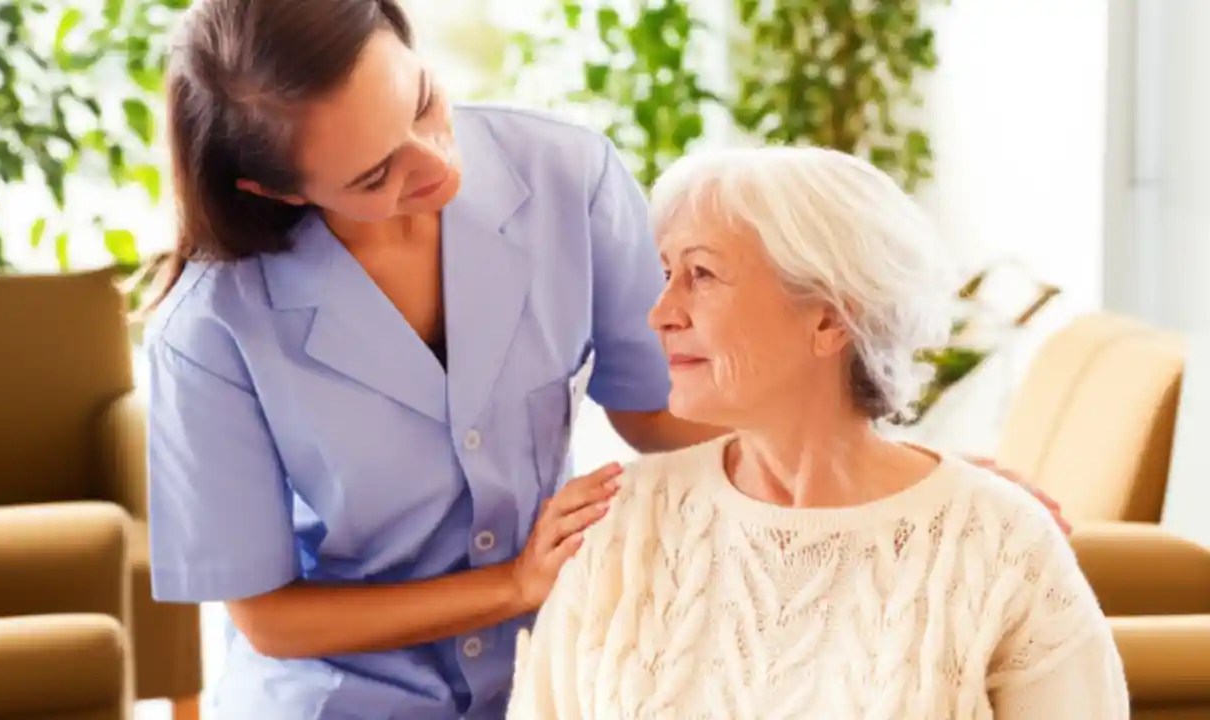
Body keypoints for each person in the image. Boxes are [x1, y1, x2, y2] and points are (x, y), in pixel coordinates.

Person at [144, 1, 1070, 717]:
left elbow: (666, 412)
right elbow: (266, 617)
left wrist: (896, 477)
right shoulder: (210, 329)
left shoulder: (564, 176)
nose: (433, 166)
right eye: (373, 177)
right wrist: (509, 586)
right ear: (273, 188)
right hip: (340, 700)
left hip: (555, 673)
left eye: (423, 104)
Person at [507, 147, 1128, 719]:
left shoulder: (998, 541)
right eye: (666, 273)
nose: (661, 312)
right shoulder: (620, 523)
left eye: (701, 274)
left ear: (829, 319)